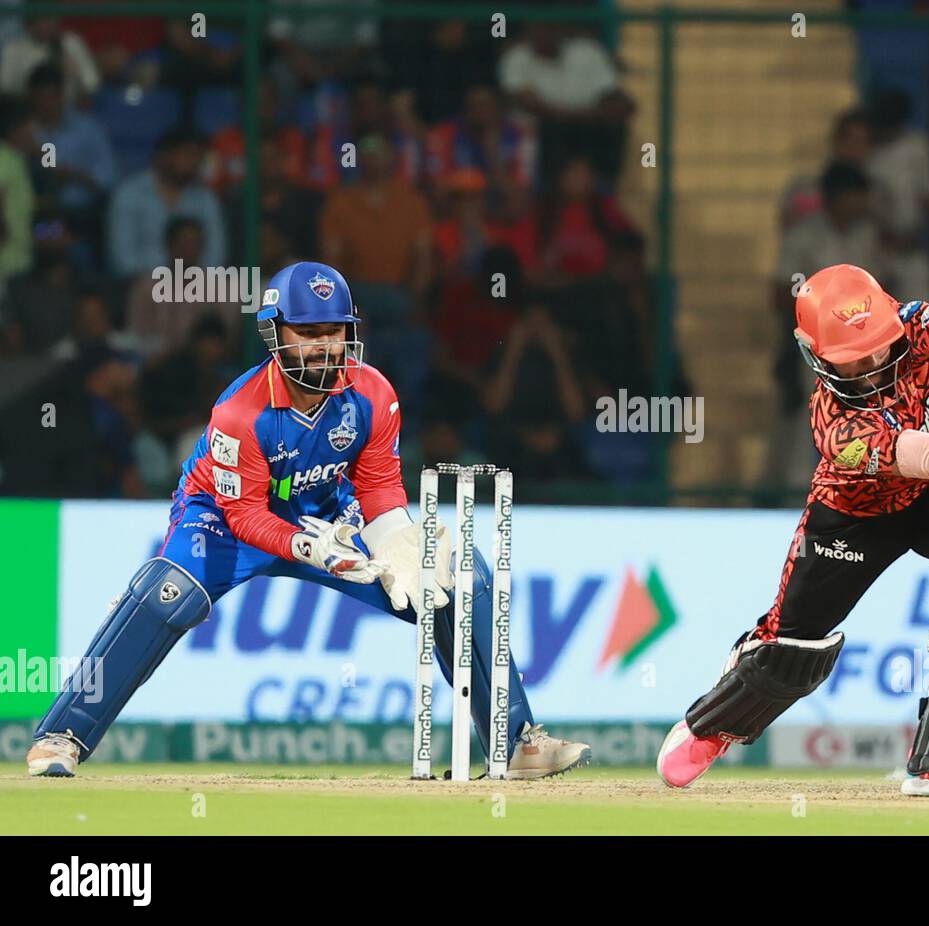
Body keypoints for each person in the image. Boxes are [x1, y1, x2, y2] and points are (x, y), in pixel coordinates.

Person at [28, 261, 590, 780]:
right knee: (167, 594)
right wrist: (310, 548)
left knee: (458, 577)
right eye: (308, 332)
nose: (324, 346)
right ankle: (62, 735)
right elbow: (246, 514)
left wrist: (396, 539)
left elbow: (378, 485)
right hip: (224, 518)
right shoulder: (240, 411)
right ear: (275, 334)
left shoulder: (373, 393)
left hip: (327, 512)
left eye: (334, 331)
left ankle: (513, 743)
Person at [657, 264, 929, 797]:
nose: (871, 366)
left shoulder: (914, 325)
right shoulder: (837, 427)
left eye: (877, 348)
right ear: (814, 352)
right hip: (858, 514)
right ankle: (714, 724)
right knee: (792, 647)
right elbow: (928, 456)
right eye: (853, 357)